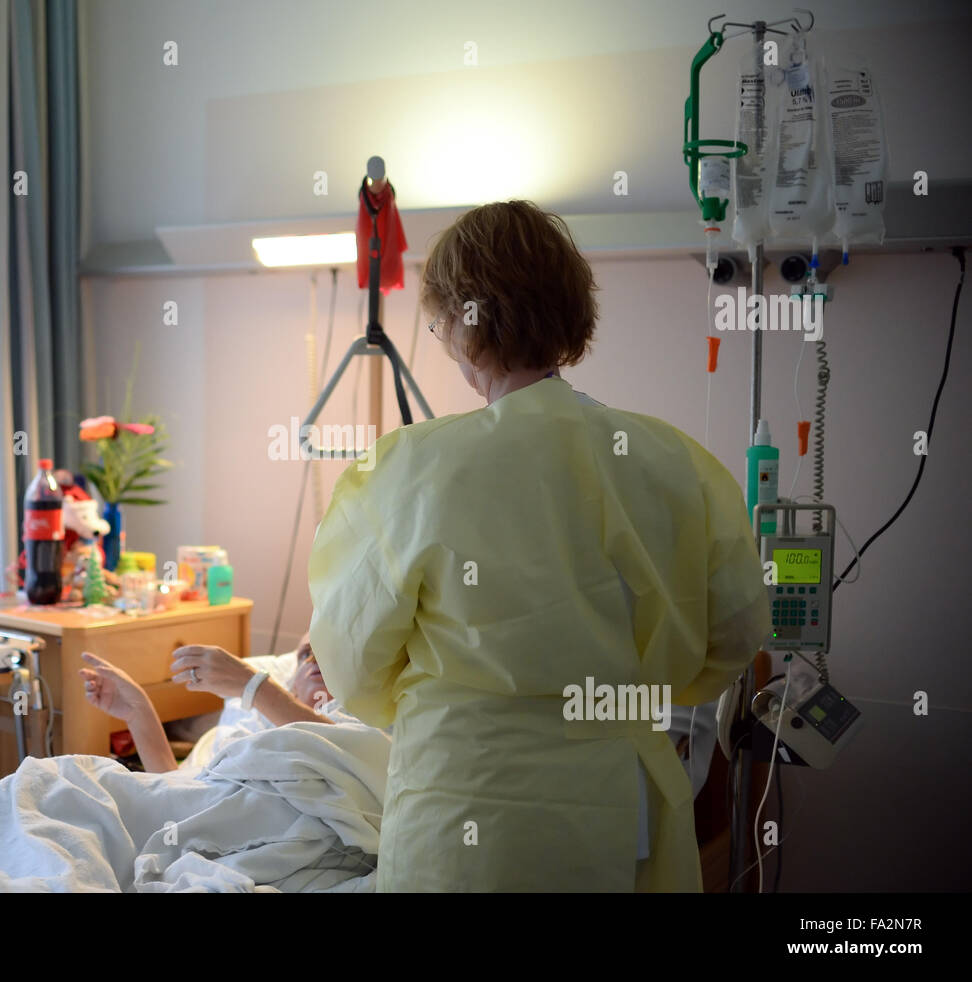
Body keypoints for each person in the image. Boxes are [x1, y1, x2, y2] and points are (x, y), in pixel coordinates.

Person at [307, 200, 771, 892]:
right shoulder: (675, 464)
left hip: (465, 812)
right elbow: (734, 633)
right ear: (570, 316)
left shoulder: (409, 471)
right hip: (624, 806)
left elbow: (352, 658)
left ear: (463, 328)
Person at [77, 633, 340, 773]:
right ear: (292, 684)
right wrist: (137, 711)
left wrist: (251, 684)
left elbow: (340, 751)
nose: (314, 660)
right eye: (306, 653)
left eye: (327, 649)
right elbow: (174, 793)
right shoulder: (247, 728)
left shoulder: (362, 726)